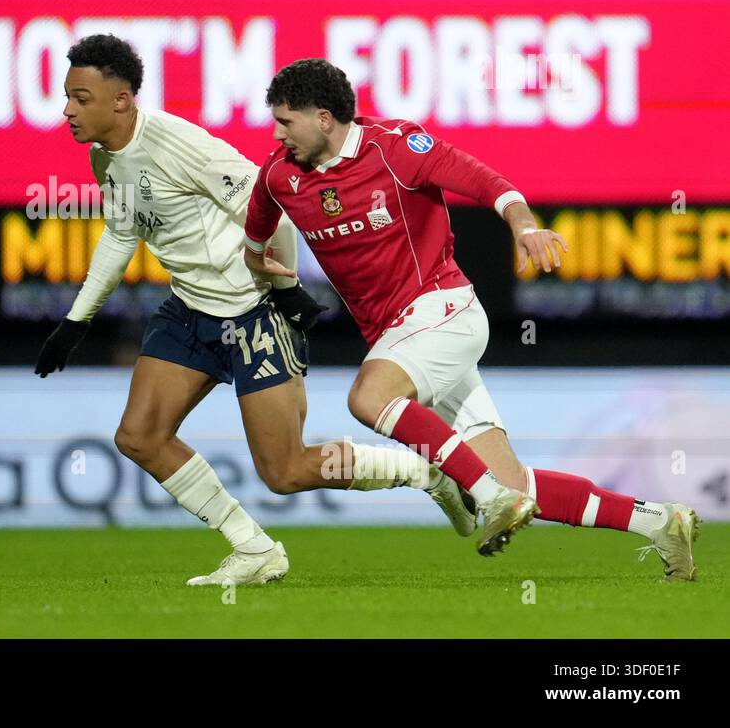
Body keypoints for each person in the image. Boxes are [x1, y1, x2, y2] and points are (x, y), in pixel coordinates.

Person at [35, 35, 476, 587]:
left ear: (120, 101)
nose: (67, 111)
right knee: (140, 437)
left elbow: (271, 210)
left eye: (80, 98)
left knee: (286, 472)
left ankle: (424, 472)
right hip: (189, 311)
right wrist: (75, 322)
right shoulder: (106, 156)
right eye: (68, 98)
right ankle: (254, 549)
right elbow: (122, 235)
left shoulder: (179, 144)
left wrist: (285, 288)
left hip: (254, 313)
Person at [242, 57, 699, 579]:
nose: (277, 134)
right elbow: (257, 231)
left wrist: (525, 228)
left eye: (285, 121)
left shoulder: (394, 148)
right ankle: (660, 522)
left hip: (443, 309)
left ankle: (484, 496)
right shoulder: (281, 175)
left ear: (323, 118)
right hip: (402, 341)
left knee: (368, 398)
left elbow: (486, 182)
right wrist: (265, 267)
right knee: (518, 485)